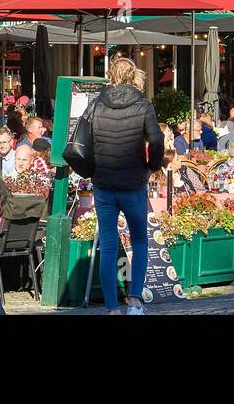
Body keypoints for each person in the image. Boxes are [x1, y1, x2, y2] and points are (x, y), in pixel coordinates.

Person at [87, 55, 163, 315]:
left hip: (104, 182)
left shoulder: (97, 104)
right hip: (133, 181)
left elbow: (84, 138)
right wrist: (152, 166)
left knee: (108, 244)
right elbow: (156, 140)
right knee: (140, 241)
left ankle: (111, 307)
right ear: (134, 77)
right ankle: (134, 300)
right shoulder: (143, 105)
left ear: (111, 76)